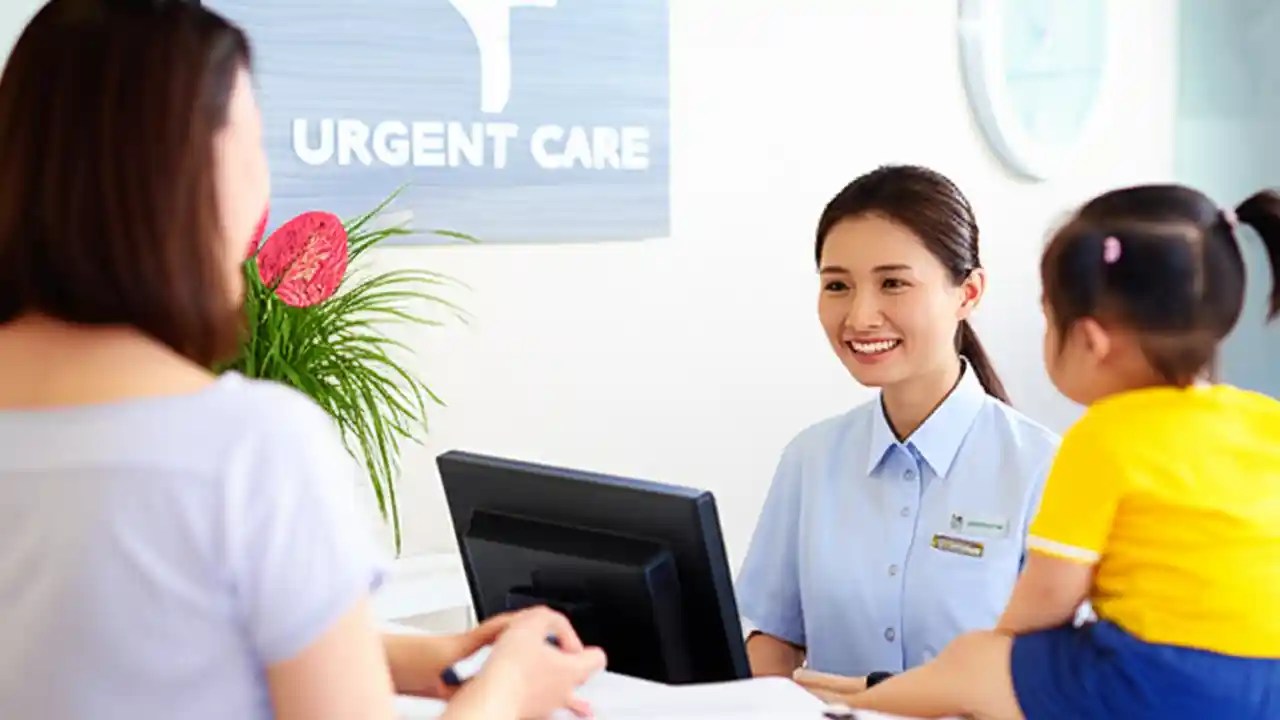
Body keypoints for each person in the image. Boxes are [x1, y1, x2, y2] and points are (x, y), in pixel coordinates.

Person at [0, 2, 604, 719]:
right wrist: (508, 694)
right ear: (189, 173)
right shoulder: (247, 447)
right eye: (255, 145)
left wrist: (428, 659)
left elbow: (110, 645)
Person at [835, 183, 1280, 719]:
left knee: (974, 661)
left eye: (1050, 320)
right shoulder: (1264, 418)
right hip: (1266, 683)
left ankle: (842, 708)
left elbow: (1048, 599)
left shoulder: (1105, 436)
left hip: (1163, 681)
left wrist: (1001, 659)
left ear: (1091, 341)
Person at [735, 165, 1061, 690]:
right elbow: (770, 634)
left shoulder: (1044, 470)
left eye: (893, 284)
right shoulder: (811, 458)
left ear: (968, 293)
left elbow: (1046, 679)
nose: (861, 315)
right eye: (837, 285)